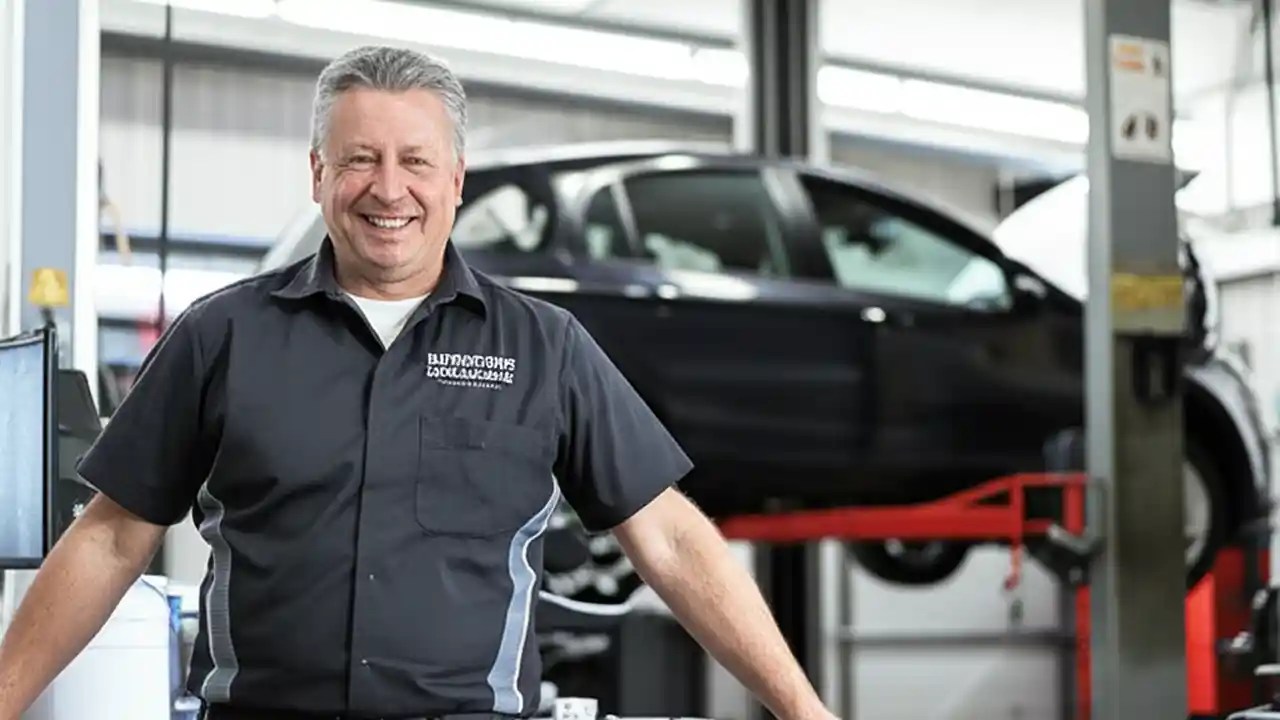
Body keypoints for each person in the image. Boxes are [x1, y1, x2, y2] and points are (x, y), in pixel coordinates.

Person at [0, 45, 837, 720]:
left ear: (456, 179)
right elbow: (112, 536)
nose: (388, 188)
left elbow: (670, 536)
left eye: (415, 161)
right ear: (318, 175)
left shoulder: (546, 347)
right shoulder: (221, 336)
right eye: (360, 159)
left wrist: (802, 710)